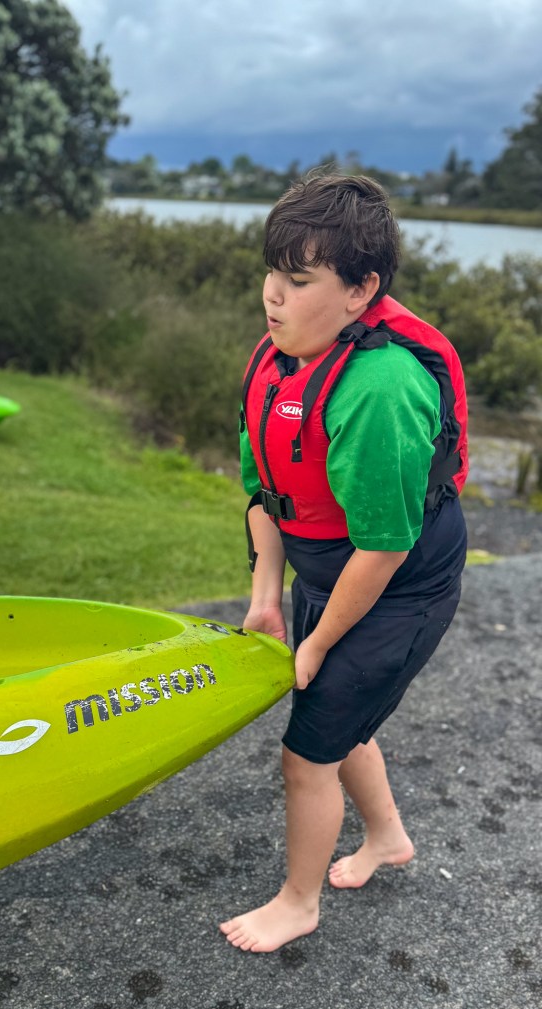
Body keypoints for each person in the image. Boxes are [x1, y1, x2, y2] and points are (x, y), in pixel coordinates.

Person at [219, 173, 469, 953]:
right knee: (341, 718)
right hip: (330, 570)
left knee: (307, 753)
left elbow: (386, 545)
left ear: (362, 290)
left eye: (297, 281)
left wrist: (319, 639)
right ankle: (388, 837)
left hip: (398, 586)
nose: (273, 296)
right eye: (271, 273)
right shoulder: (280, 355)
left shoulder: (379, 390)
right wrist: (268, 589)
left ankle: (298, 901)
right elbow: (264, 485)